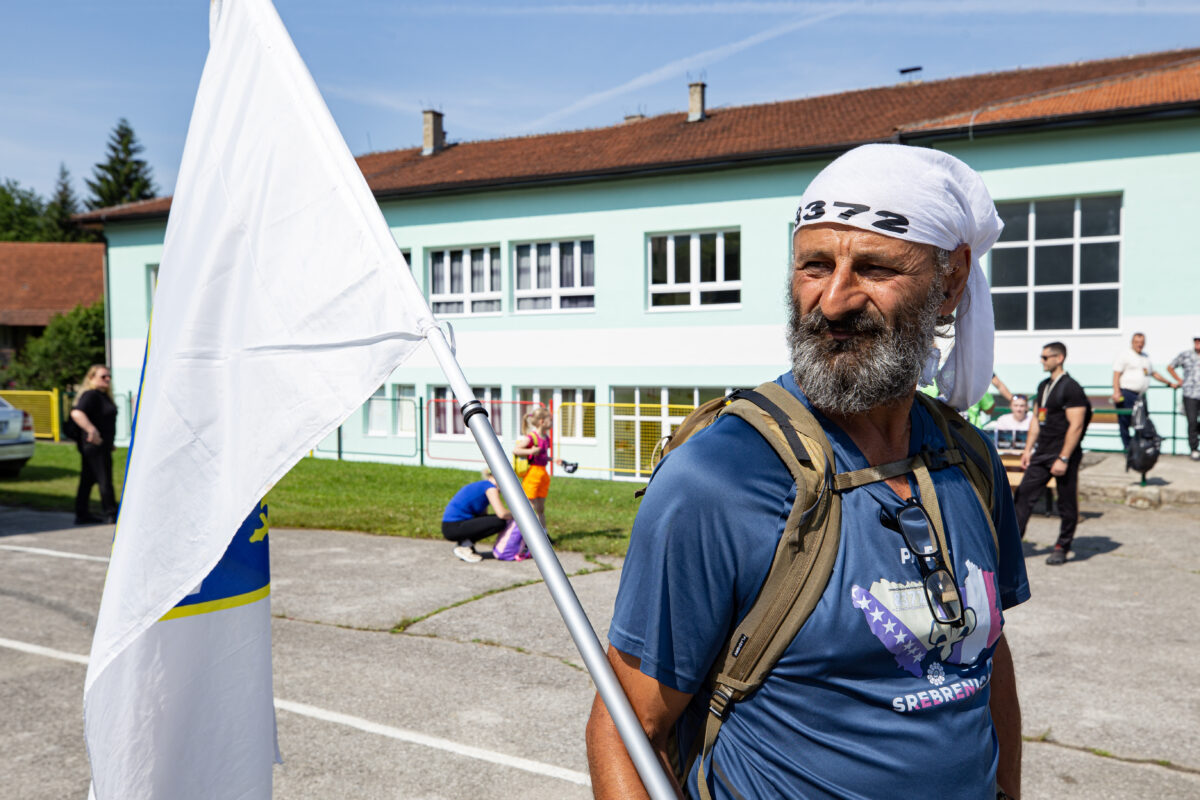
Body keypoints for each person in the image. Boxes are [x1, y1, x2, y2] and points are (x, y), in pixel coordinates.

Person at [586, 145, 1028, 800]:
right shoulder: (719, 476)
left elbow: (985, 661)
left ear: (952, 281)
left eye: (874, 268)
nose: (835, 299)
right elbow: (628, 726)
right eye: (815, 266)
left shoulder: (969, 460)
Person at [1014, 343, 1091, 566]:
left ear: (1059, 358)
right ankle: (1013, 544)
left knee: (1066, 503)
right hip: (1042, 452)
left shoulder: (1072, 388)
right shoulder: (1043, 386)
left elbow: (1076, 426)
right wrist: (1028, 450)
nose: (1042, 360)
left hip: (1063, 454)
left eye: (1045, 357)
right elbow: (1037, 420)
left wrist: (1064, 457)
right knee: (1023, 496)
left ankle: (1062, 546)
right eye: (1041, 356)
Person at [1112, 333, 1178, 449]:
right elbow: (1116, 373)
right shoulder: (1125, 355)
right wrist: (1116, 391)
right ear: (1132, 343)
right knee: (1125, 421)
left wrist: (1169, 383)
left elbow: (1153, 373)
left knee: (1143, 419)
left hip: (1140, 395)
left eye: (1141, 342)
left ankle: (1142, 444)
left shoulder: (1145, 357)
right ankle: (1128, 448)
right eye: (1137, 342)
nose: (1139, 345)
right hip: (1127, 393)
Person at [71, 365, 119, 525]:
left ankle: (82, 513)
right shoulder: (90, 395)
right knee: (104, 478)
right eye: (103, 376)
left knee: (88, 479)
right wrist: (91, 430)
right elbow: (76, 413)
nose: (107, 379)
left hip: (101, 445)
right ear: (91, 378)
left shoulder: (103, 396)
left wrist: (109, 442)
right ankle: (111, 512)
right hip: (94, 445)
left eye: (108, 377)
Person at [513, 408, 570, 533]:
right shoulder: (531, 437)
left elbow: (542, 456)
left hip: (543, 474)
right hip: (532, 474)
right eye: (550, 420)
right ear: (542, 422)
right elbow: (516, 450)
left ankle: (544, 534)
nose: (552, 423)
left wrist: (553, 459)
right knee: (530, 507)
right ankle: (526, 535)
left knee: (540, 508)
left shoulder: (546, 438)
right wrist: (530, 451)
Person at [441, 469, 511, 563]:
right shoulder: (490, 487)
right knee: (499, 522)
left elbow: (483, 517)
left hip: (451, 526)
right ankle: (464, 546)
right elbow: (502, 514)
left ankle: (465, 544)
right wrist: (519, 515)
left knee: (493, 521)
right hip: (453, 527)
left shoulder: (482, 485)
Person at [1167, 336, 1200, 461]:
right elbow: (1170, 367)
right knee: (1192, 422)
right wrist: (1179, 380)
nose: (1198, 342)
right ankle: (1194, 449)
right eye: (1196, 340)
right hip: (1190, 394)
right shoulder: (1185, 355)